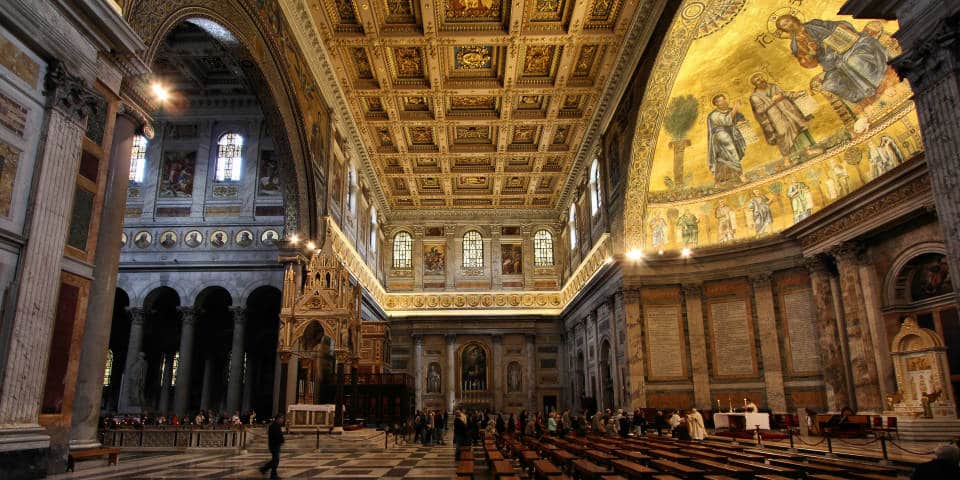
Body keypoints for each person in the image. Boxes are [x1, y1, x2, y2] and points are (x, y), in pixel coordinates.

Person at [707, 93, 748, 185]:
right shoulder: (714, 115)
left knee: (724, 160)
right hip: (721, 136)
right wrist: (735, 109)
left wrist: (740, 120)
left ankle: (721, 181)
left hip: (732, 134)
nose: (724, 102)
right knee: (732, 153)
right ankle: (741, 175)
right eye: (721, 101)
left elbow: (739, 118)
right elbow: (727, 121)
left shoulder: (729, 110)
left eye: (724, 99)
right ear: (716, 103)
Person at [259, 415, 285, 479]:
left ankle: (265, 469)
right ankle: (272, 474)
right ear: (278, 419)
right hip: (274, 445)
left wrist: (281, 440)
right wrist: (281, 440)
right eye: (282, 419)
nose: (282, 420)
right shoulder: (274, 426)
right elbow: (276, 435)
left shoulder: (275, 425)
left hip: (275, 445)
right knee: (275, 460)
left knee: (275, 460)